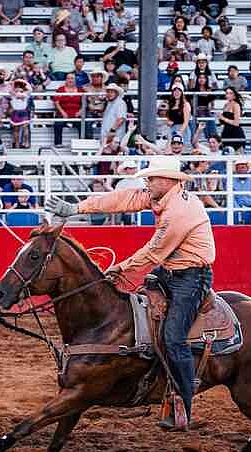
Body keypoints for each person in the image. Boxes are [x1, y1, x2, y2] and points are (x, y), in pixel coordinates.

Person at [45, 156, 215, 430]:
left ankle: (184, 402)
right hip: (170, 271)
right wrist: (76, 207)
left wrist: (121, 267)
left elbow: (154, 250)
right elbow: (121, 199)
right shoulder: (161, 197)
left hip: (191, 278)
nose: (147, 183)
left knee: (174, 337)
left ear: (169, 181)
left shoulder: (180, 212)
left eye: (151, 178)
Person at [53, 73, 85, 147]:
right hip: (63, 114)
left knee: (83, 124)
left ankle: (81, 144)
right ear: (66, 80)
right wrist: (62, 112)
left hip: (77, 114)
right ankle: (58, 144)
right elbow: (56, 103)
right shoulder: (60, 89)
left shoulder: (81, 90)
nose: (70, 80)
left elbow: (85, 103)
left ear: (75, 80)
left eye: (72, 78)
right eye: (68, 78)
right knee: (58, 123)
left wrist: (80, 112)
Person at [219, 86, 246, 153]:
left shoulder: (236, 105)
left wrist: (223, 118)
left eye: (230, 93)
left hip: (235, 133)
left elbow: (236, 123)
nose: (228, 95)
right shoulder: (226, 105)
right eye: (227, 93)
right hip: (226, 132)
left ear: (234, 95)